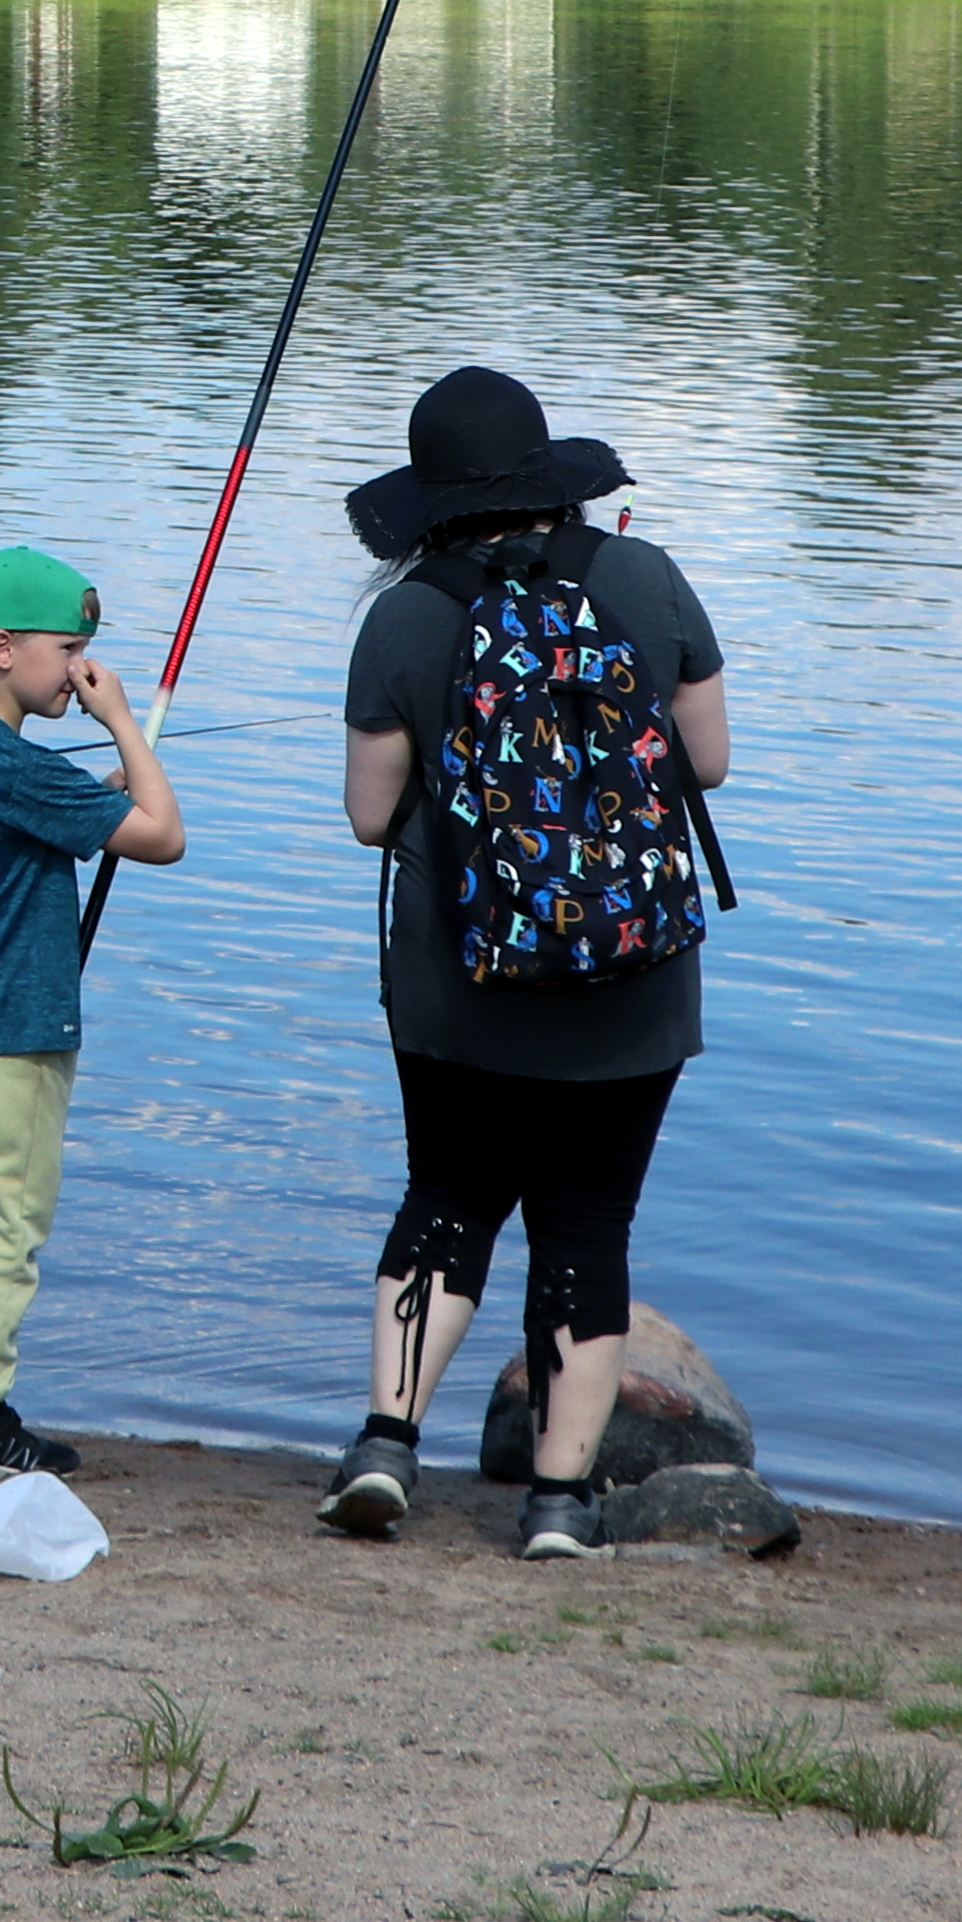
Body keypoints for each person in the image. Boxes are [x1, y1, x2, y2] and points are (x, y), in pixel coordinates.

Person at [315, 367, 735, 1558]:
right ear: (550, 482)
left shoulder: (403, 615)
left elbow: (365, 815)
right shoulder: (643, 578)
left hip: (461, 985)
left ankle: (386, 1446)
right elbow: (706, 763)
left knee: (446, 1201)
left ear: (429, 503)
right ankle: (557, 1501)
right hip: (635, 981)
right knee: (585, 1229)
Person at [0, 542, 184, 1477]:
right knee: (8, 1225)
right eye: (70, 650)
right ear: (5, 647)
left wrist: (103, 772)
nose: (83, 670)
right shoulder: (10, 764)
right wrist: (126, 726)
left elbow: (64, 811)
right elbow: (164, 837)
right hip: (11, 1029)